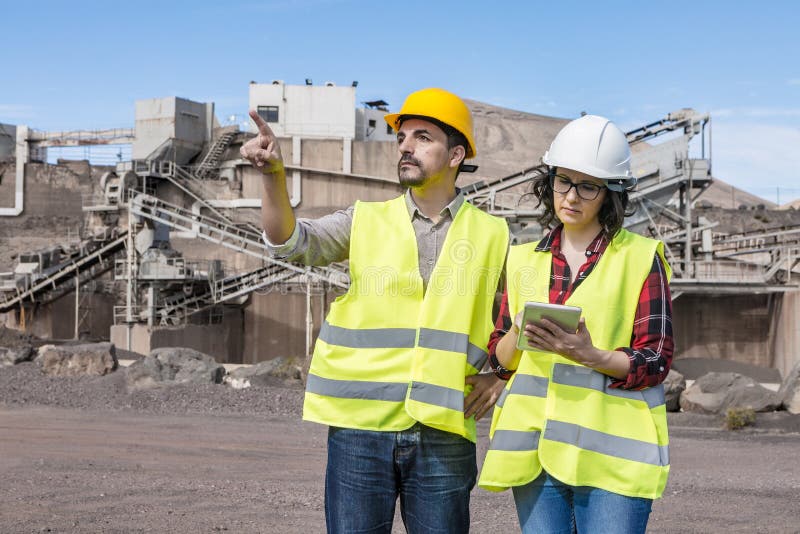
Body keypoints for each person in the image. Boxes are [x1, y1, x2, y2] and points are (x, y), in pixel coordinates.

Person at [240, 87, 509, 533]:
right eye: (402, 138)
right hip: (359, 428)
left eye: (423, 137)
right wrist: (273, 176)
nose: (405, 146)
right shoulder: (364, 220)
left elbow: (526, 316)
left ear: (456, 154)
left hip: (444, 428)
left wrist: (502, 375)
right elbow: (290, 242)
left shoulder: (493, 234)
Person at [477, 114, 674, 534]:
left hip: (611, 460)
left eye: (588, 185)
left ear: (611, 193)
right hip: (535, 453)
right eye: (563, 180)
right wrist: (517, 332)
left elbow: (656, 359)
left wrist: (591, 355)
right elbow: (500, 360)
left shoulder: (640, 258)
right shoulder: (522, 259)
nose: (571, 195)